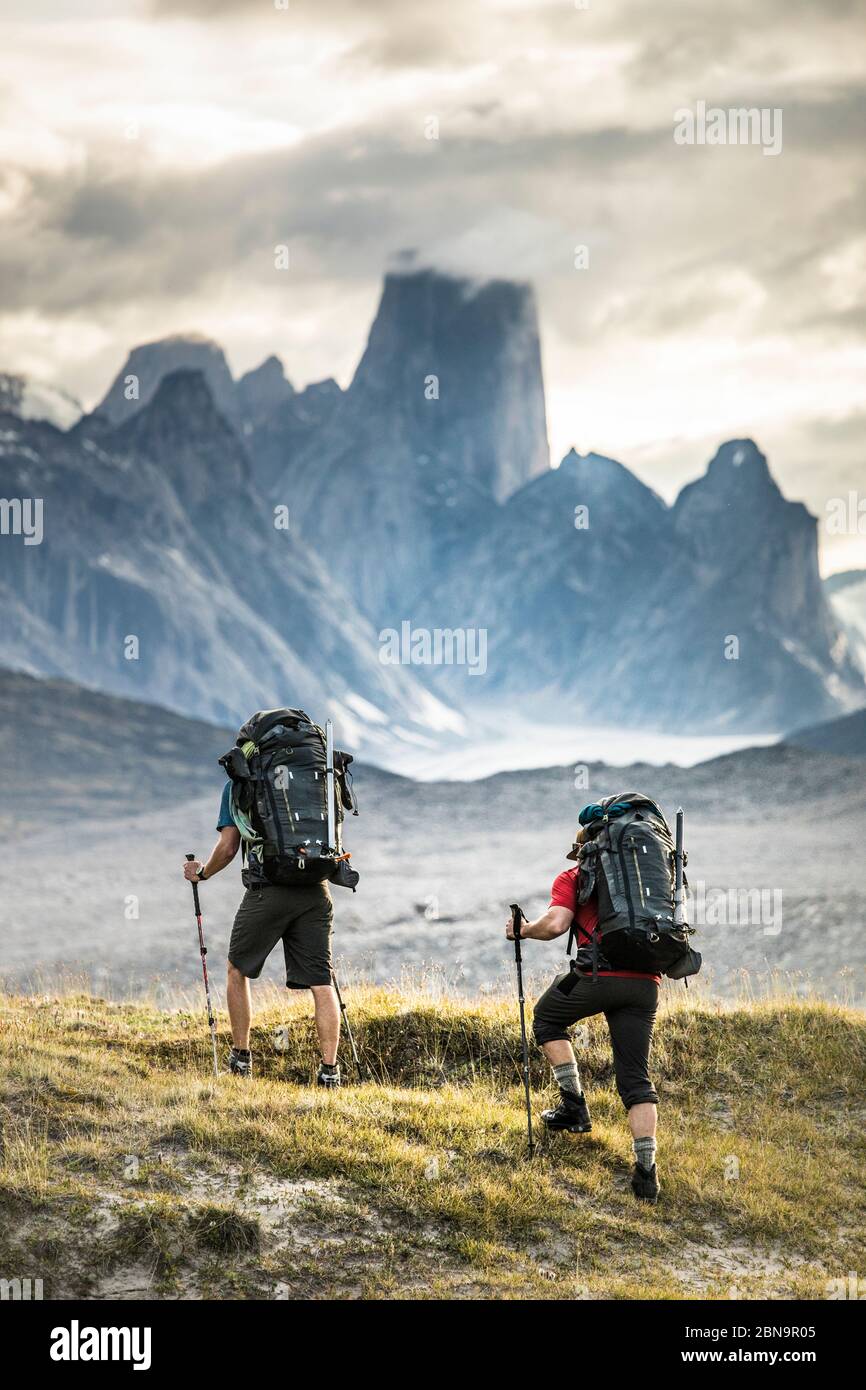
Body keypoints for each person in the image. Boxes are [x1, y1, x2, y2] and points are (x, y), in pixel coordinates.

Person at [505, 824, 661, 1204]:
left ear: (582, 851)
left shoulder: (575, 875)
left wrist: (523, 930)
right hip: (645, 984)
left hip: (598, 975)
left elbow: (557, 924)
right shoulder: (647, 880)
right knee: (636, 1079)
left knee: (547, 1018)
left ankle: (574, 1107)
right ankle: (647, 1175)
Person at [183, 779, 342, 1086]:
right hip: (316, 888)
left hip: (268, 890)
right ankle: (329, 1072)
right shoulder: (318, 772)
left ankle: (241, 1060)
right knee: (322, 981)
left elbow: (229, 847)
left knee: (237, 969)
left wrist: (202, 873)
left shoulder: (241, 781)